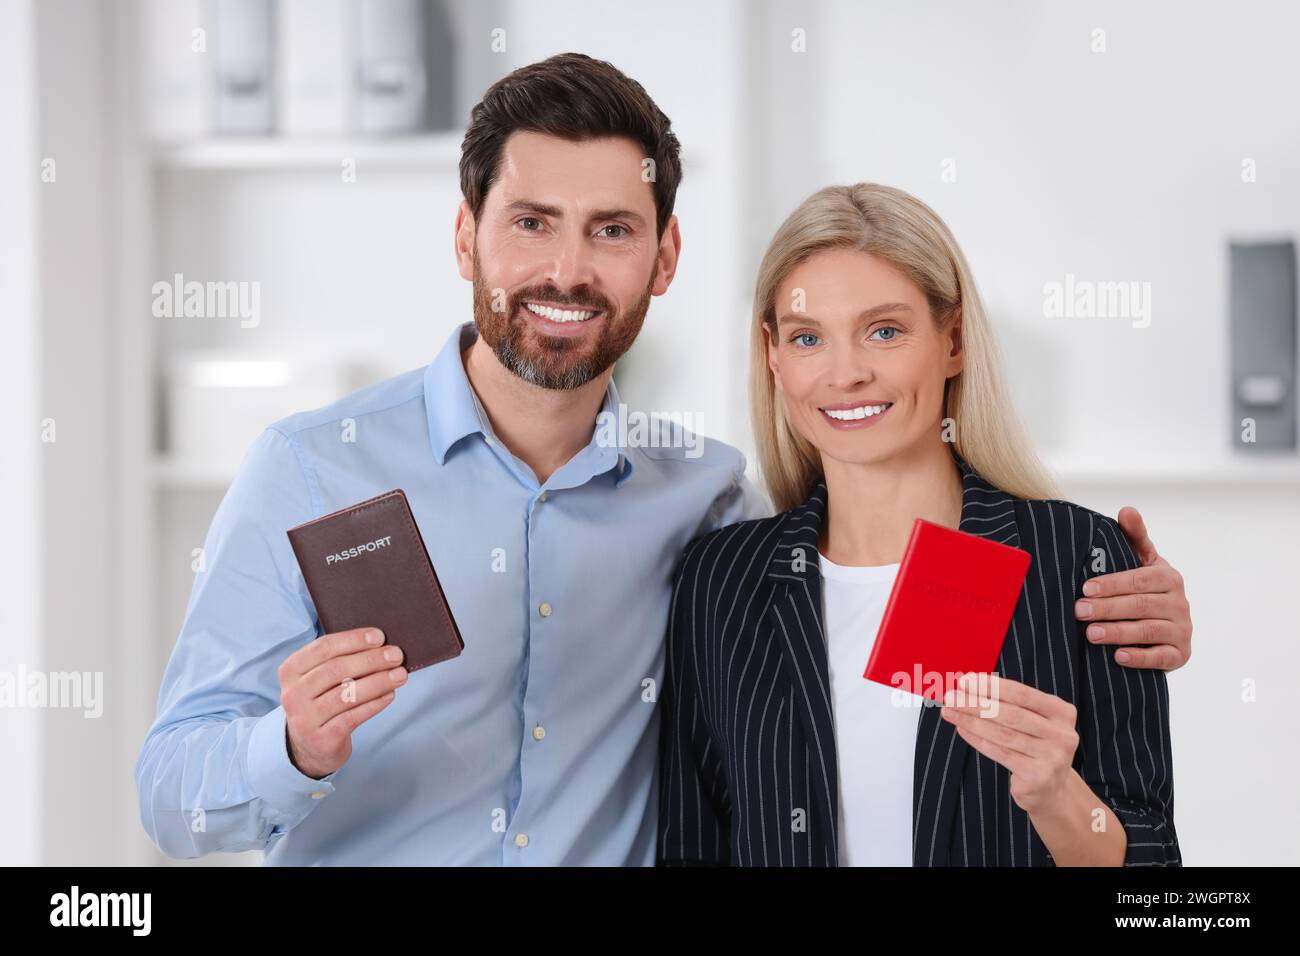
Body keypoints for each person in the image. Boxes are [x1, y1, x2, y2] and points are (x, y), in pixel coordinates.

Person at [136, 54, 1191, 866]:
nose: (566, 267)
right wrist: (293, 744)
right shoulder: (312, 469)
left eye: (610, 229)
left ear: (663, 256)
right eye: (530, 223)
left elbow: (881, 569)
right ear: (466, 237)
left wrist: (1111, 588)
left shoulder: (706, 501)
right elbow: (168, 791)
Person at [658, 183, 1181, 866]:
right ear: (774, 356)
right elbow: (693, 846)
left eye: (884, 331)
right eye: (809, 338)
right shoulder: (722, 581)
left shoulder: (1078, 558)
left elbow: (1156, 868)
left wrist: (1057, 794)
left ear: (954, 339)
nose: (845, 374)